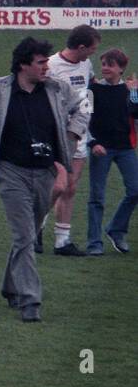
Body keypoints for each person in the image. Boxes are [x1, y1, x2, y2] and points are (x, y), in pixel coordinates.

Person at [0, 37, 89, 322]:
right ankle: (30, 301)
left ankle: (10, 286)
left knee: (26, 232)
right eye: (41, 62)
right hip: (11, 171)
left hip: (46, 171)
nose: (46, 67)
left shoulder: (56, 88)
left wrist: (73, 134)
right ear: (23, 64)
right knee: (26, 235)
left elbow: (83, 108)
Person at [45, 24, 100, 255]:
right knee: (57, 186)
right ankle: (35, 226)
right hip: (57, 133)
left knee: (71, 188)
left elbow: (91, 87)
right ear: (81, 47)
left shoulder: (85, 64)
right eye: (92, 49)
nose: (94, 53)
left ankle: (62, 241)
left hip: (80, 131)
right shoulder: (50, 66)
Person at [85, 48, 138, 254]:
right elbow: (84, 119)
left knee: (135, 190)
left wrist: (133, 91)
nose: (106, 68)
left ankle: (116, 229)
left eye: (111, 65)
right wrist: (92, 143)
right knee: (96, 197)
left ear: (121, 68)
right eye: (104, 64)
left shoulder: (130, 90)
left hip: (125, 148)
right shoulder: (92, 89)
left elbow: (135, 113)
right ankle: (94, 243)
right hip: (101, 148)